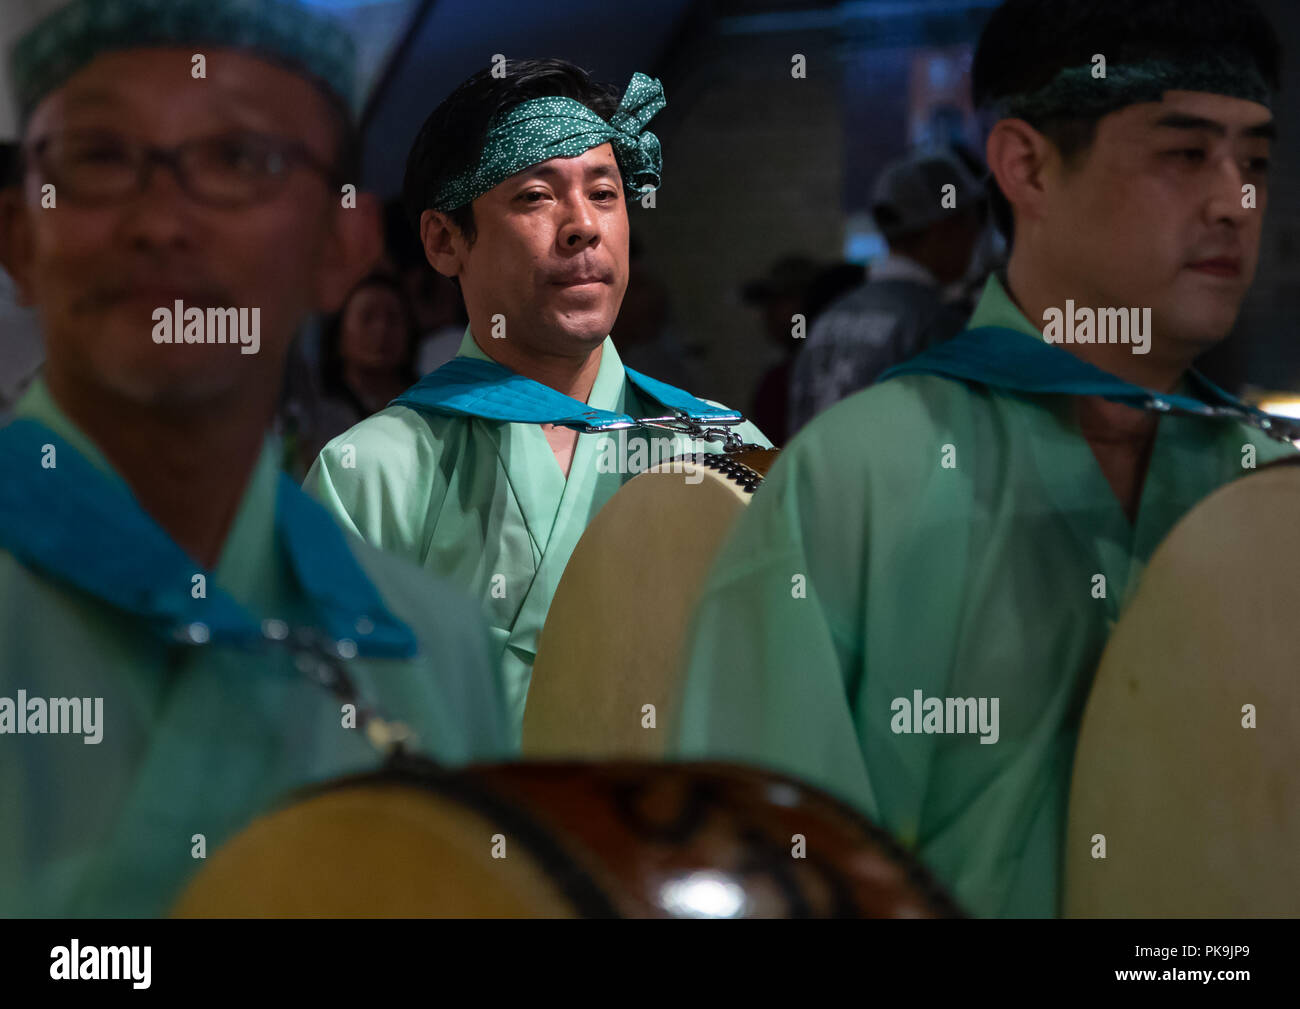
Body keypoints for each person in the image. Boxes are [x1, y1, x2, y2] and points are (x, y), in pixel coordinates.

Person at [674, 0, 1296, 918]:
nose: (1234, 204)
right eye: (1184, 154)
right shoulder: (857, 478)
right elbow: (754, 870)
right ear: (1027, 166)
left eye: (1256, 163)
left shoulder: (1264, 493)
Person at [0, 0, 510, 916]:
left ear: (341, 244)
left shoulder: (435, 644)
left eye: (239, 160)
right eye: (100, 158)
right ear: (18, 239)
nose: (160, 223)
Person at [305, 59, 767, 739]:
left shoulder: (723, 448)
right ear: (443, 240)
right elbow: (326, 747)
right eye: (535, 197)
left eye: (605, 194)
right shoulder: (370, 474)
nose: (583, 225)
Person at [788, 148, 982, 434]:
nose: (976, 238)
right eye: (972, 223)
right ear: (946, 228)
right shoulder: (937, 324)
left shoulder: (827, 320)